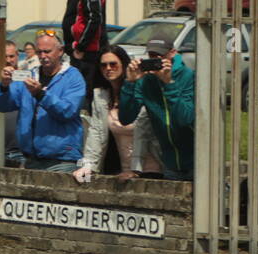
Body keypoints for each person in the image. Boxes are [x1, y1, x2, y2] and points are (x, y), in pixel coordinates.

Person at [0, 31, 86, 172]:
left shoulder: (73, 77)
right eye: (39, 52)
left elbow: (67, 111)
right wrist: (4, 86)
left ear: (60, 51)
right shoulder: (30, 75)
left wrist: (40, 94)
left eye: (47, 51)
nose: (43, 56)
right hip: (32, 159)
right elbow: (2, 106)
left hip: (62, 160)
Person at [77, 45, 160, 180]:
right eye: (103, 65)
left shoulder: (138, 89)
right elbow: (96, 132)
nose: (108, 68)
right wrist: (88, 165)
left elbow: (144, 131)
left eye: (113, 64)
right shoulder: (101, 96)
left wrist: (136, 170)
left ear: (124, 65)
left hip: (150, 167)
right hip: (124, 170)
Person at [119, 38, 194, 181]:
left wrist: (169, 84)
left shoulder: (188, 76)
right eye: (152, 56)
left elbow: (186, 119)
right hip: (170, 164)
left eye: (161, 56)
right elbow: (126, 118)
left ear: (172, 53)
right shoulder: (146, 81)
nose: (156, 61)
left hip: (197, 160)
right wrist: (130, 83)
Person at [62, 0, 107, 92]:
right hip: (76, 51)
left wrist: (81, 46)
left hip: (88, 53)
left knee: (86, 91)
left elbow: (95, 18)